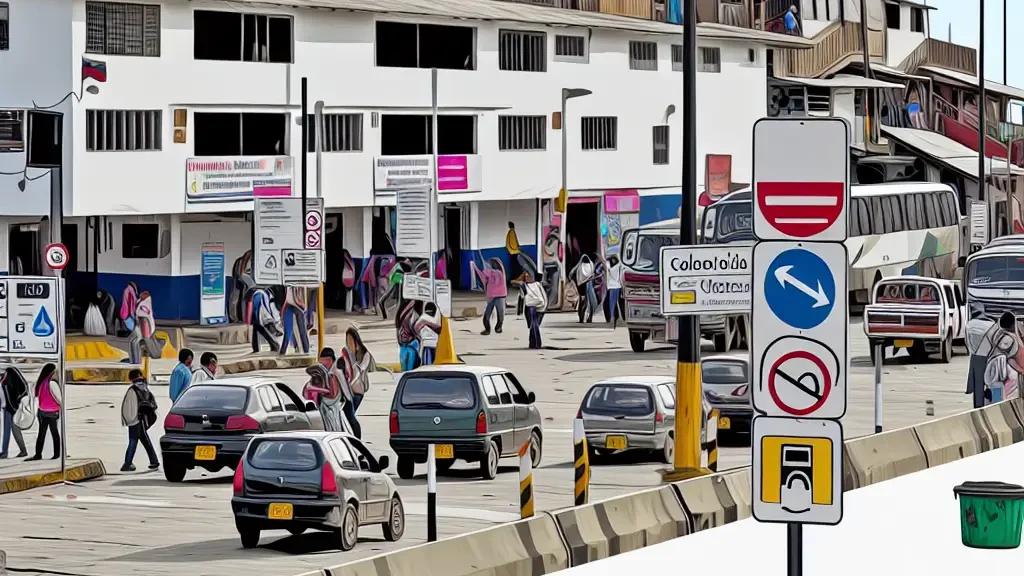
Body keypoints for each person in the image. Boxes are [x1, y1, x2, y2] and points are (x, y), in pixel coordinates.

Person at [120, 369, 160, 472]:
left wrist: (128, 420)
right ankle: (154, 461)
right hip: (142, 419)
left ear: (130, 379)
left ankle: (127, 463)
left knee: (133, 440)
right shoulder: (145, 388)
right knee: (145, 440)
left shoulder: (133, 390)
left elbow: (129, 408)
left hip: (135, 420)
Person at [306, 348, 348, 433]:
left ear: (330, 360)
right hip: (326, 407)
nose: (322, 364)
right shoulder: (327, 373)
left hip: (331, 407)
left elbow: (333, 394)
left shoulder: (333, 374)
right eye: (321, 361)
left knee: (332, 426)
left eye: (324, 361)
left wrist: (317, 389)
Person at [26, 363, 61, 461]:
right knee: (55, 433)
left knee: (41, 433)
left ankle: (38, 454)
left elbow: (33, 397)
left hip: (42, 411)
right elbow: (59, 399)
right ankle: (57, 454)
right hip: (53, 412)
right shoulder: (52, 383)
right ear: (52, 372)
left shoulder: (38, 383)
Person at [342, 327, 375, 413]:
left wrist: (350, 384)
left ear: (356, 340)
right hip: (348, 392)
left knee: (349, 415)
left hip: (357, 390)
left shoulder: (365, 354)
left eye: (351, 339)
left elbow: (359, 371)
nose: (349, 342)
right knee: (346, 415)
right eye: (347, 340)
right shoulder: (347, 353)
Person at [471, 257, 507, 335]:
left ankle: (487, 330)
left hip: (491, 295)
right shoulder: (502, 273)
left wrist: (475, 267)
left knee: (488, 313)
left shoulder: (489, 272)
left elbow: (482, 277)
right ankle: (498, 328)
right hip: (501, 294)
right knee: (500, 313)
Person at [0, 367, 28, 459]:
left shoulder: (11, 371)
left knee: (14, 430)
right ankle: (5, 452)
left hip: (13, 407)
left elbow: (24, 387)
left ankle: (23, 451)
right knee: (7, 431)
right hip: (6, 408)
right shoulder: (2, 377)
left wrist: (18, 400)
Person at [514, 273, 548, 349]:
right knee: (534, 325)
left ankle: (535, 343)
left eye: (529, 276)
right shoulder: (534, 285)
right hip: (535, 306)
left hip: (535, 306)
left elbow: (522, 297)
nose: (528, 278)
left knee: (534, 325)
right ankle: (534, 343)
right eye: (526, 276)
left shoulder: (532, 285)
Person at [249, 286, 281, 353]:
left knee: (256, 325)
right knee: (256, 326)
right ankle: (257, 347)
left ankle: (271, 344)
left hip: (258, 299)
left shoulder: (260, 293)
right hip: (258, 298)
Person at [280, 286, 310, 355]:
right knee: (299, 331)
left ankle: (305, 350)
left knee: (298, 331)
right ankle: (305, 350)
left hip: (293, 304)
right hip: (291, 304)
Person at [571, 254, 598, 323]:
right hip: (589, 288)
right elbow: (594, 276)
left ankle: (582, 318)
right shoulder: (591, 267)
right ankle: (589, 318)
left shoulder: (580, 267)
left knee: (582, 303)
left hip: (581, 288)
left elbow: (571, 274)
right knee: (589, 304)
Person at [396, 298, 420, 372]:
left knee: (405, 370)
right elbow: (415, 327)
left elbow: (398, 327)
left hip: (403, 343)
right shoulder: (414, 311)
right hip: (412, 342)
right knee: (410, 370)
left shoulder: (401, 310)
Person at [605, 255, 623, 329]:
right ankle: (616, 318)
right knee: (616, 303)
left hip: (612, 286)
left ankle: (613, 318)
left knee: (612, 304)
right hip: (617, 286)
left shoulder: (609, 266)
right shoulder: (619, 266)